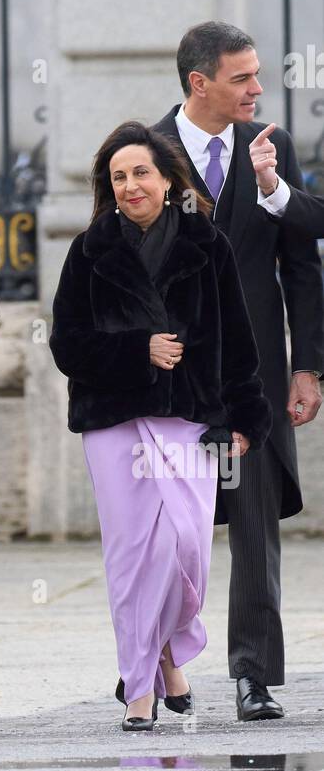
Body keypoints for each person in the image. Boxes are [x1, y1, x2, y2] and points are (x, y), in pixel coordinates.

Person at [49, 121, 271, 730]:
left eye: (140, 173)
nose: (129, 186)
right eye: (118, 177)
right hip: (113, 420)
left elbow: (239, 341)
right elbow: (67, 345)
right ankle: (140, 686)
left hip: (190, 419)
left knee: (186, 548)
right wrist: (136, 350)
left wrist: (246, 417)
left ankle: (171, 647)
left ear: (169, 179)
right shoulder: (89, 249)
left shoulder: (208, 244)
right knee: (130, 557)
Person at [152, 22, 324, 721]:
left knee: (253, 525)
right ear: (200, 83)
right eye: (243, 78)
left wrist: (309, 364)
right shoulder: (146, 151)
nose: (258, 88)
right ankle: (153, 666)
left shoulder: (271, 147)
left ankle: (254, 674)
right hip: (173, 378)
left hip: (253, 375)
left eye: (258, 74)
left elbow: (302, 265)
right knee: (166, 529)